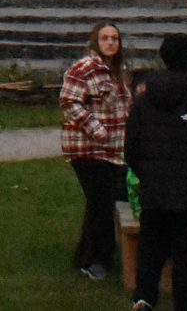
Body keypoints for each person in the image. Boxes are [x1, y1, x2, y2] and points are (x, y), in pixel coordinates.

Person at [125, 35, 187, 311]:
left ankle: (143, 301)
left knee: (150, 255)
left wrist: (149, 177)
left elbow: (131, 150)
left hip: (155, 196)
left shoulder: (142, 104)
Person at [60, 22, 130, 281]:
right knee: (102, 203)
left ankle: (87, 257)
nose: (111, 43)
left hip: (112, 150)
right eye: (105, 39)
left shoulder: (115, 72)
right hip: (88, 149)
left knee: (102, 203)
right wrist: (96, 129)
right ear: (95, 42)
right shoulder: (85, 69)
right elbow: (69, 101)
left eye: (115, 38)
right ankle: (98, 260)